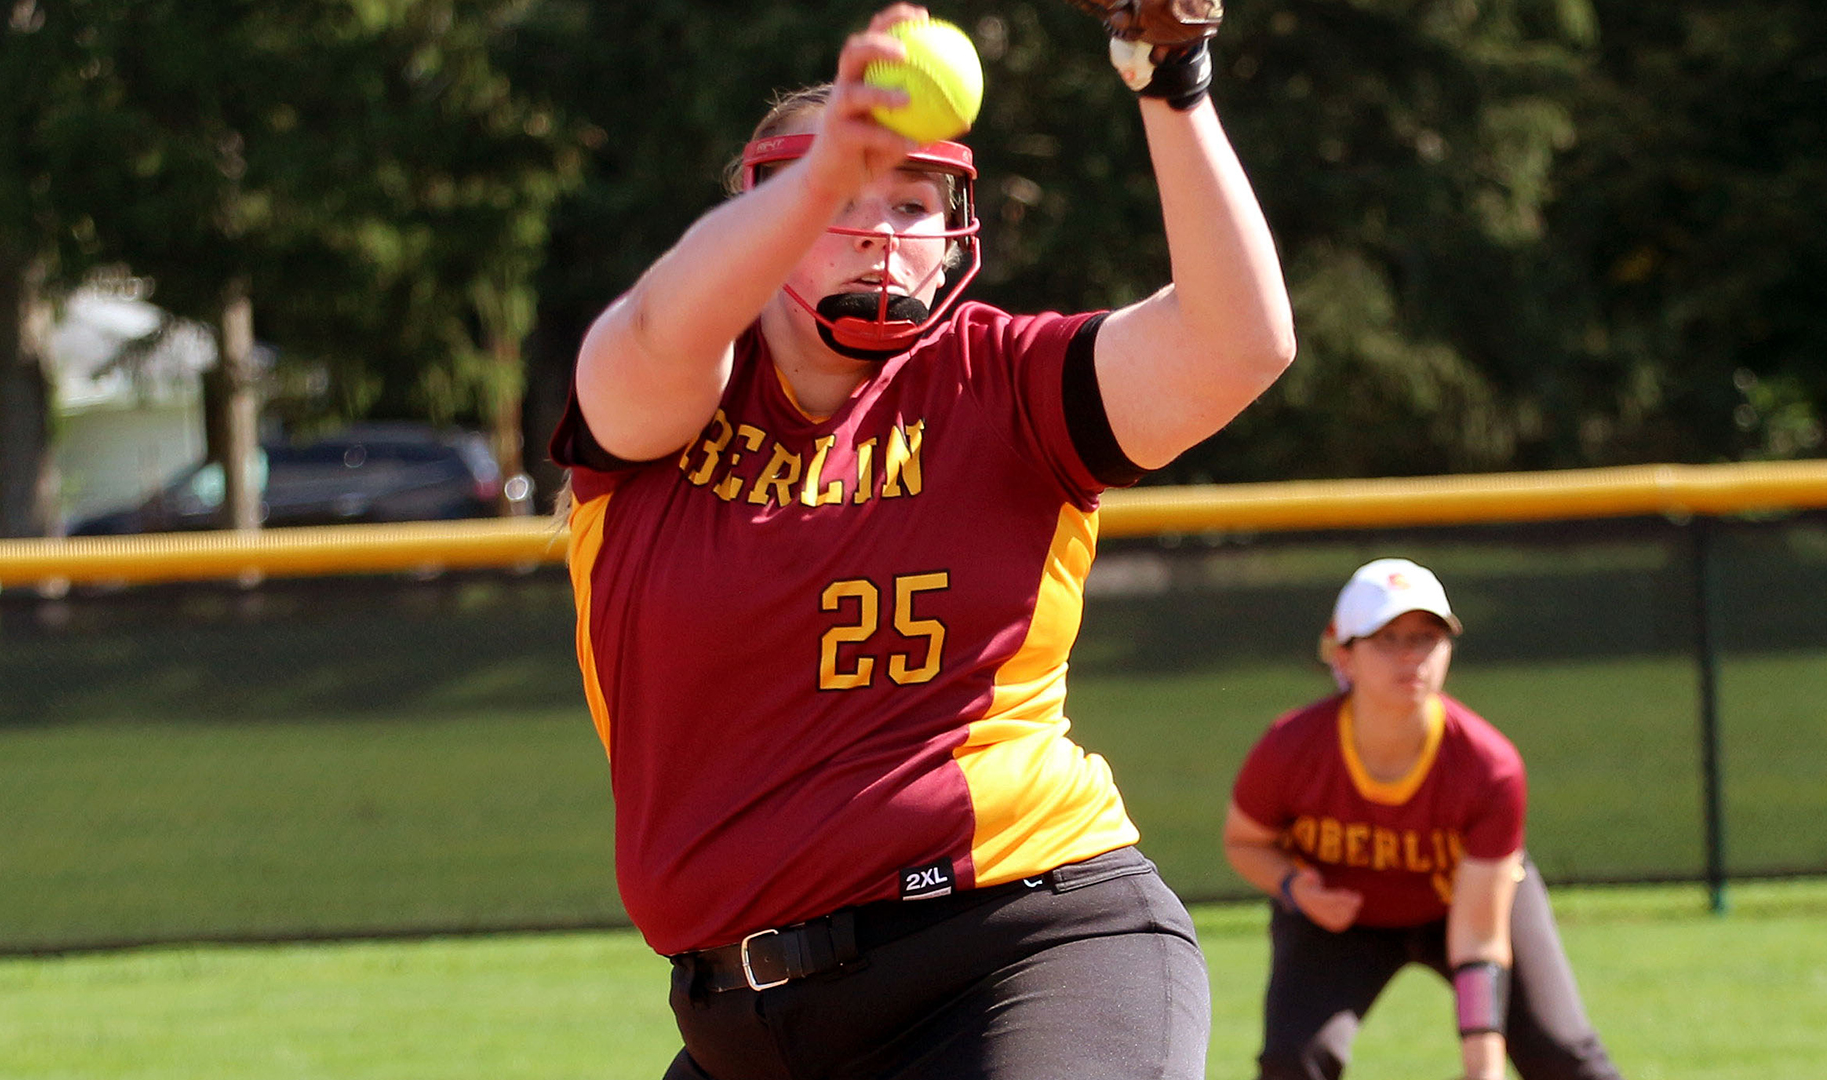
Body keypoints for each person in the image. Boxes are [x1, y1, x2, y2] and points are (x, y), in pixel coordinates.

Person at [551, 4, 1295, 1077]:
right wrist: (819, 175)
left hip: (1016, 949)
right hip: (740, 1031)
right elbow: (660, 329)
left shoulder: (998, 382)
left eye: (911, 202)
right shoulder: (668, 404)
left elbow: (1239, 345)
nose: (880, 227)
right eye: (843, 197)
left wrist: (1170, 78)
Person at [1222, 558, 1624, 1080]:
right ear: (1344, 654)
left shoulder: (1488, 766)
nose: (1410, 656)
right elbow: (1244, 843)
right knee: (1292, 1061)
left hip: (1462, 903)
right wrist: (1296, 889)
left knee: (1561, 1052)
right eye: (1387, 639)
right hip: (1341, 916)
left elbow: (1479, 937)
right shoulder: (1292, 748)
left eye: (1427, 638)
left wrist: (1482, 1067)